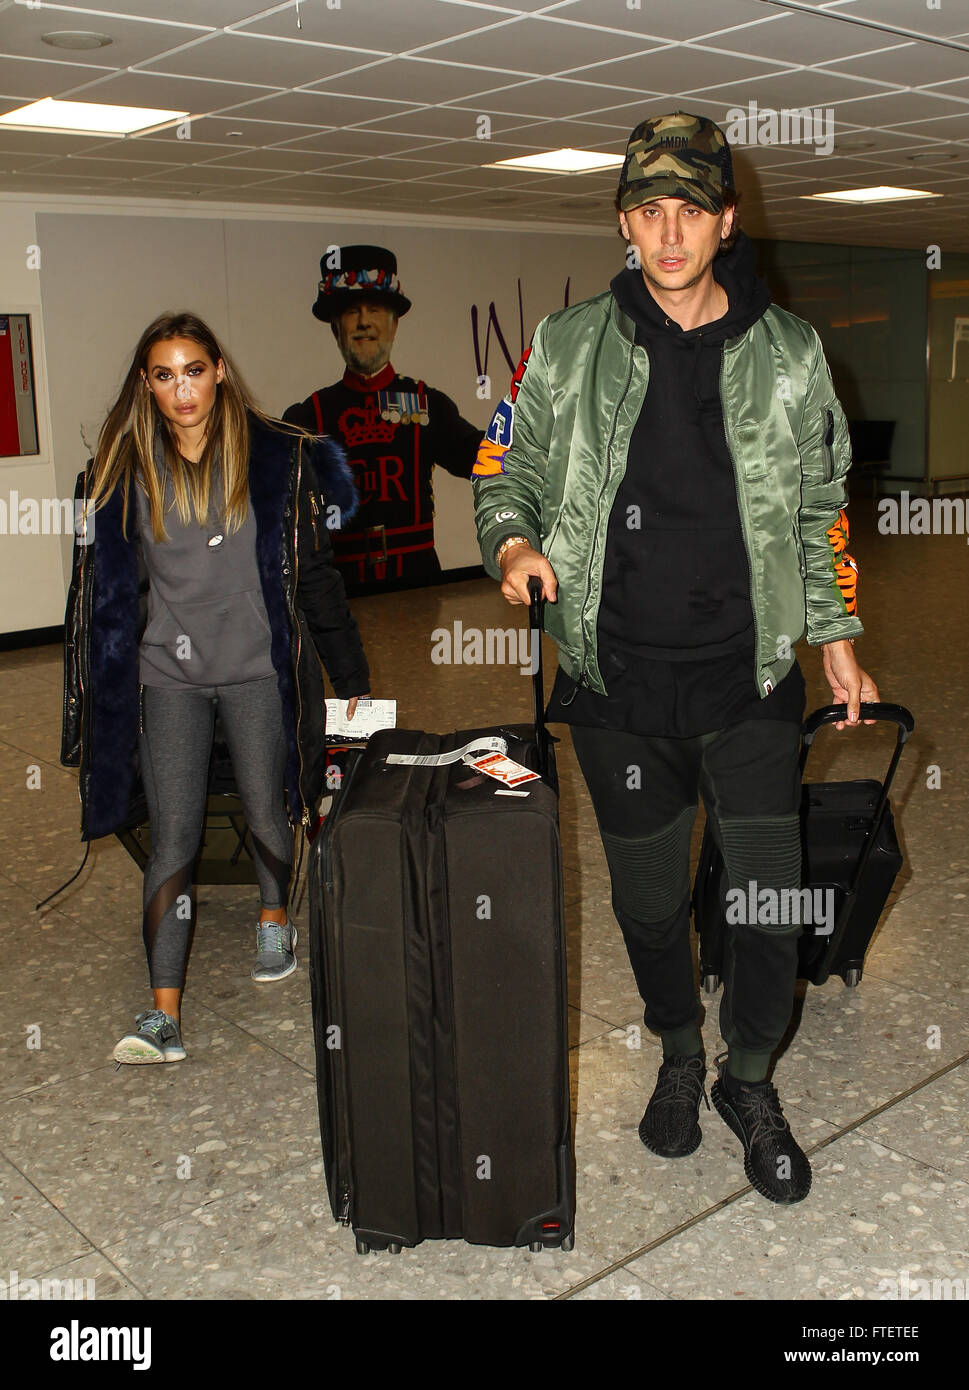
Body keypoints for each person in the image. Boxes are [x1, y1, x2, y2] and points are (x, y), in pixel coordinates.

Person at [473, 112, 879, 1205]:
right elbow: (499, 473)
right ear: (622, 222)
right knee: (650, 907)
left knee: (767, 903)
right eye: (648, 210)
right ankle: (675, 1051)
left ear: (726, 221)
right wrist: (511, 541)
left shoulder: (790, 355)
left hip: (746, 680)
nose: (668, 231)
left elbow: (819, 512)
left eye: (689, 209)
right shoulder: (561, 349)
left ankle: (748, 1078)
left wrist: (837, 636)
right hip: (618, 688)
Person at [61, 311, 370, 1065]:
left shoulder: (279, 462)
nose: (182, 390)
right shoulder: (121, 471)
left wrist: (356, 688)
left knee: (271, 804)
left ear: (219, 371)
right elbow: (97, 602)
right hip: (168, 676)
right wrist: (89, 710)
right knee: (174, 834)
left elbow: (318, 582)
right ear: (147, 383)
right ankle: (162, 1014)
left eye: (193, 370)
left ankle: (273, 918)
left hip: (260, 672)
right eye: (164, 375)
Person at [284, 245, 483, 595]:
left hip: (419, 586)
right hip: (343, 592)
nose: (363, 322)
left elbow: (482, 458)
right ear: (335, 328)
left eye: (375, 309)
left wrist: (539, 436)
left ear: (394, 324)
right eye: (351, 311)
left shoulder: (427, 404)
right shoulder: (309, 416)